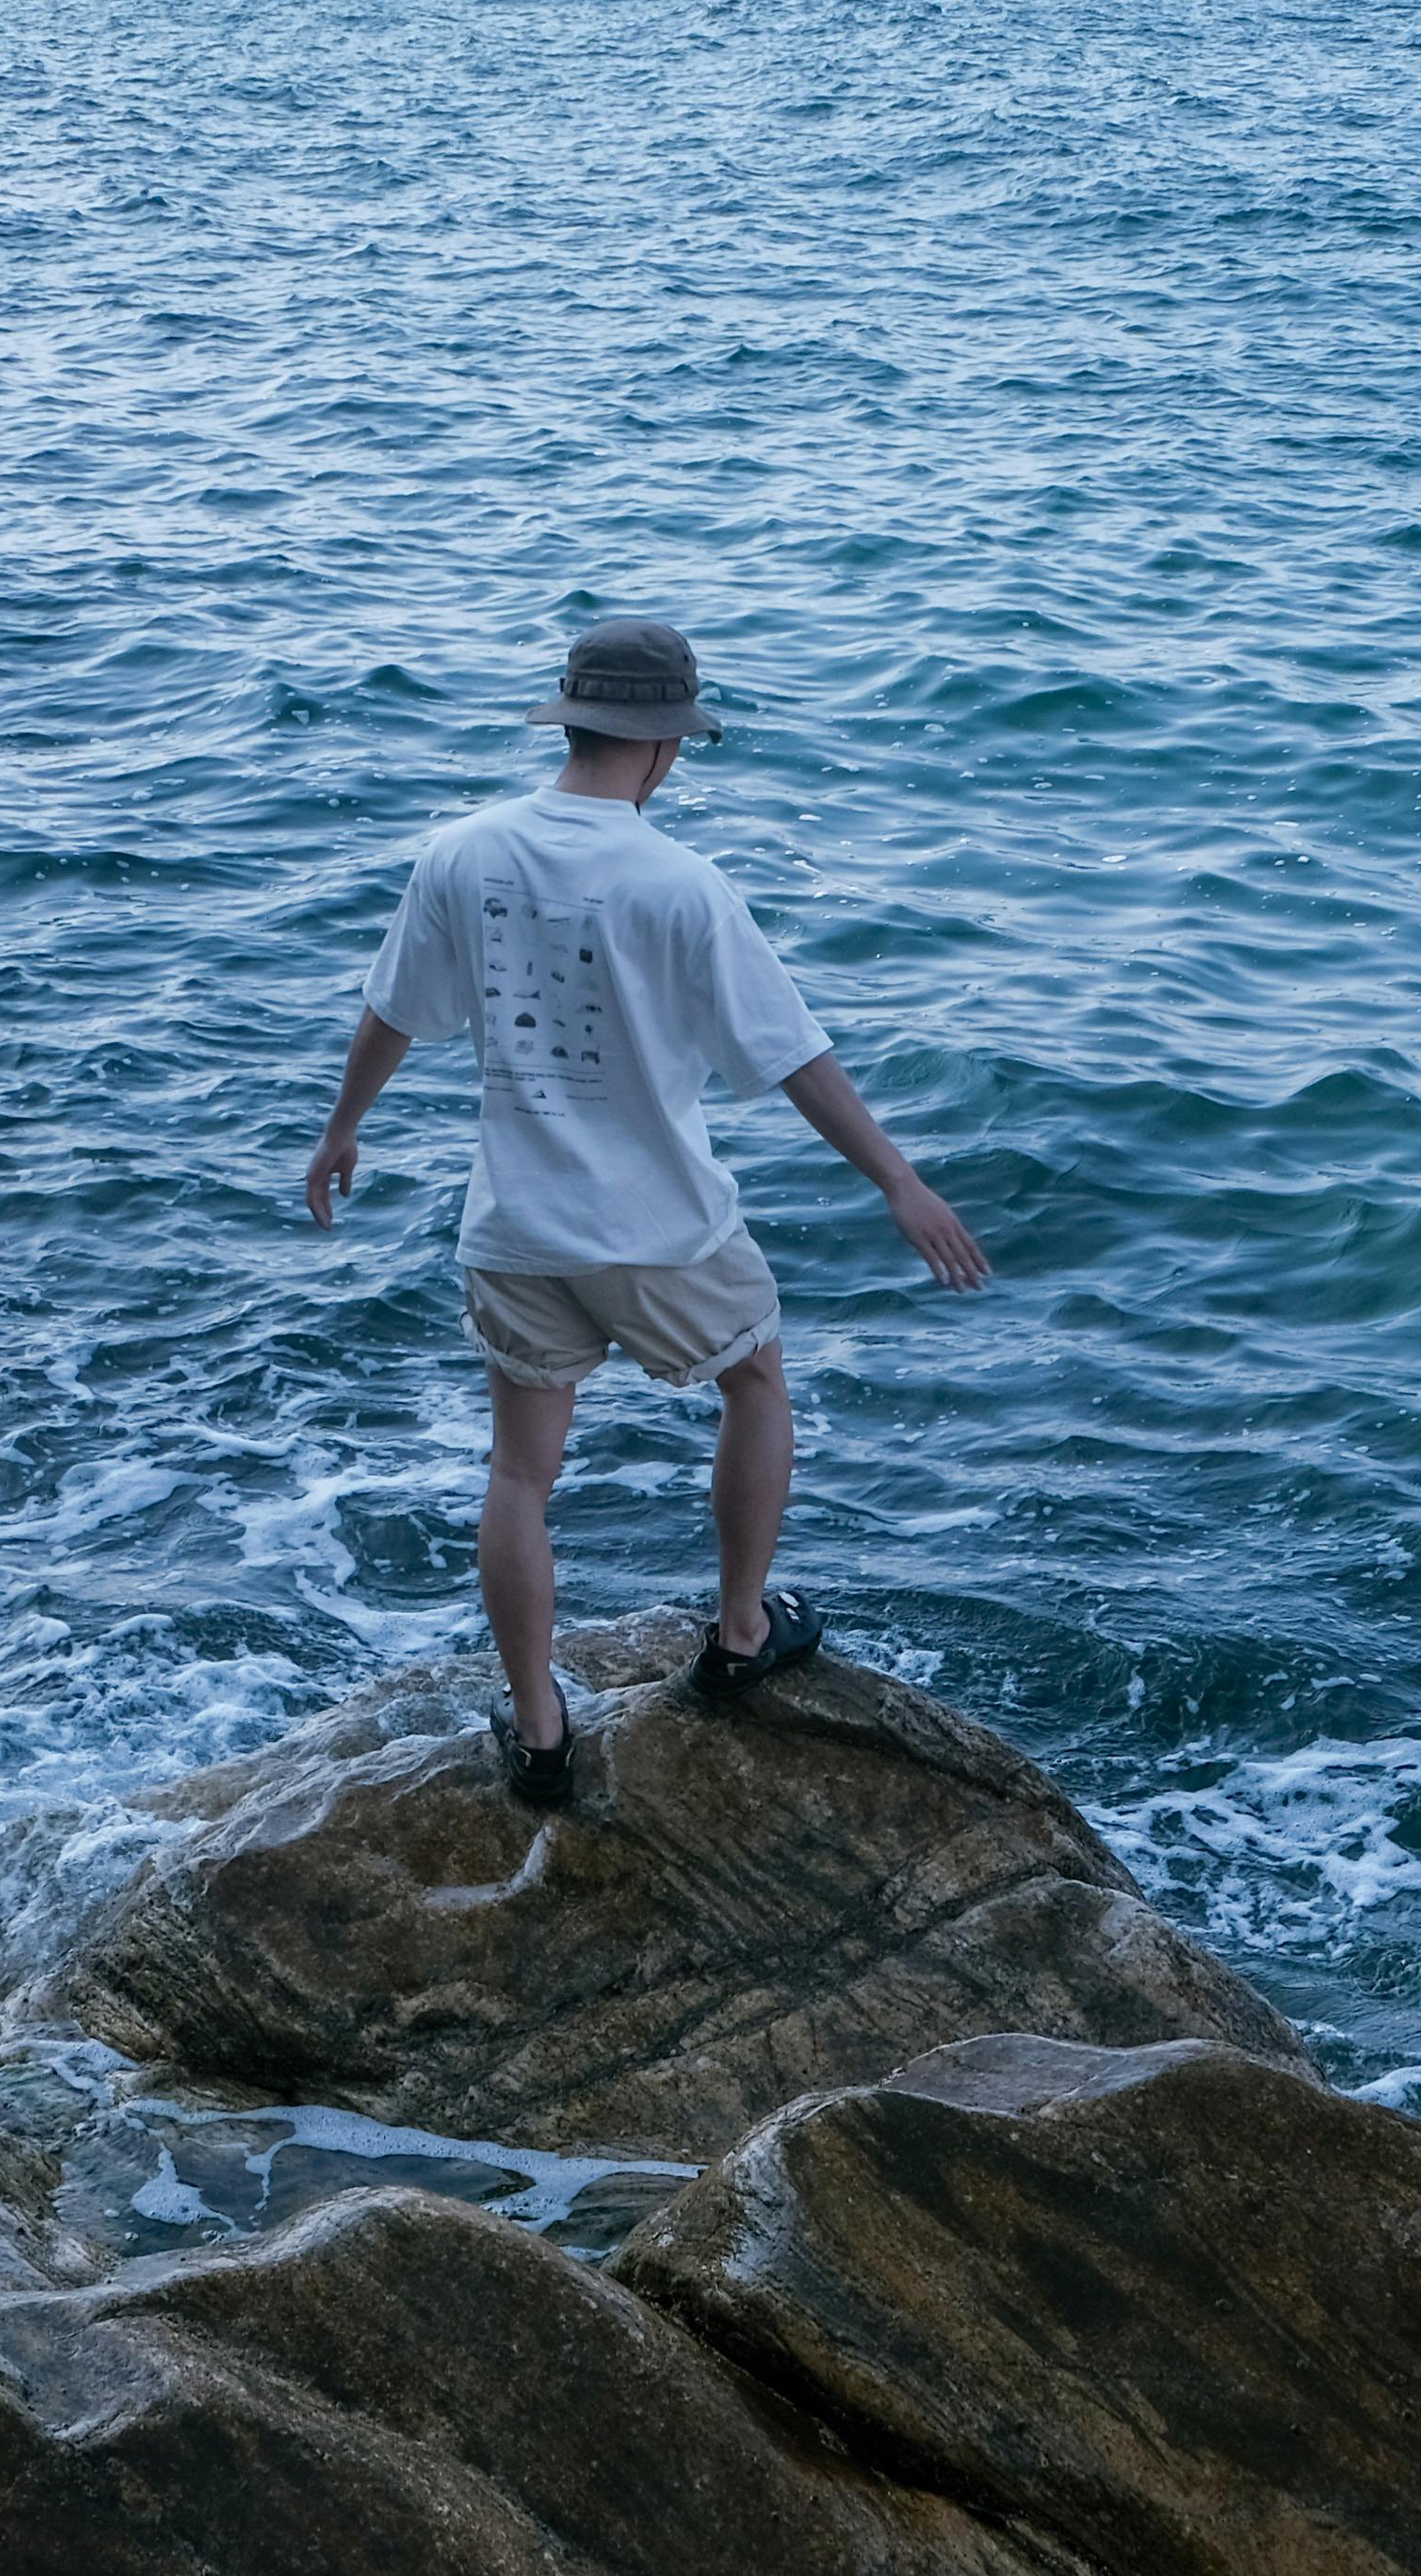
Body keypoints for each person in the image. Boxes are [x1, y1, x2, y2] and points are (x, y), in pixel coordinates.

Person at [298, 614, 988, 1807]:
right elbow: (793, 1059)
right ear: (667, 744)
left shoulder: (462, 851)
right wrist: (897, 1178)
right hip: (664, 1227)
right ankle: (737, 1629)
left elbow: (393, 1010)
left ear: (568, 718)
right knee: (757, 1380)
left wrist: (341, 1125)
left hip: (515, 1229)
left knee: (520, 1473)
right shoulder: (683, 885)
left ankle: (540, 1727)